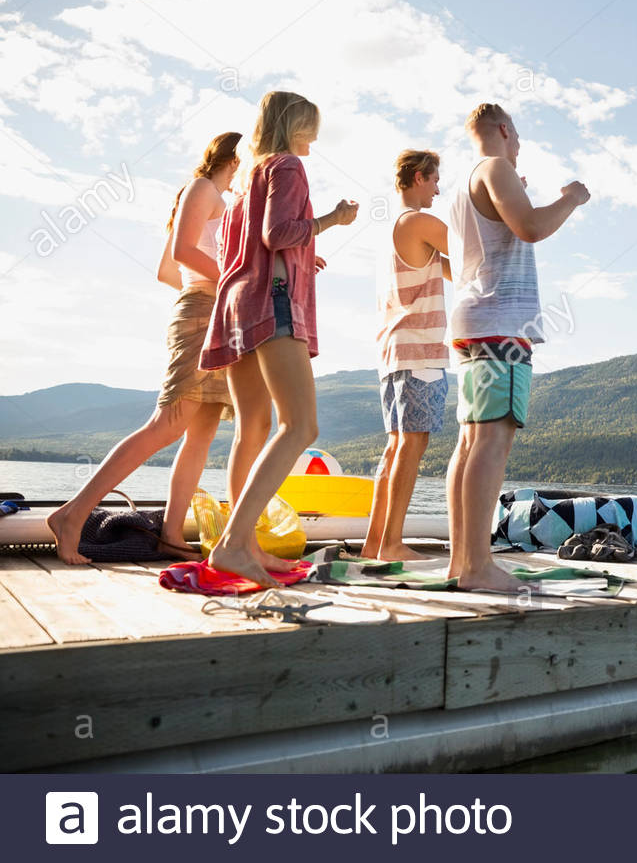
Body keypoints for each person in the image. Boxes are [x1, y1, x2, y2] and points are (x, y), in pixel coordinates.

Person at [45, 133, 242, 564]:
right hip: (202, 315)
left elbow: (165, 272)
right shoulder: (204, 189)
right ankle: (72, 515)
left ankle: (170, 536)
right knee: (166, 425)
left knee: (202, 435)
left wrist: (216, 284)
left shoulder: (210, 197)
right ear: (234, 161)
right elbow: (182, 251)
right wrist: (233, 277)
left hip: (216, 315)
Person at [200, 91, 358, 587]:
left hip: (237, 305)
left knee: (253, 427)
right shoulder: (287, 166)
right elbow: (278, 233)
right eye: (311, 125)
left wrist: (300, 253)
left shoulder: (245, 179)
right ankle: (233, 544)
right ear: (295, 125)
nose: (315, 136)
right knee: (300, 426)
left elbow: (246, 246)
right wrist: (332, 219)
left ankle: (244, 544)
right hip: (274, 303)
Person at [445, 103, 589, 591]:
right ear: (505, 130)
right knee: (492, 440)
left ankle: (462, 564)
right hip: (499, 323)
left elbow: (504, 229)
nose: (519, 145)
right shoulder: (496, 168)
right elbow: (531, 227)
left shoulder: (470, 182)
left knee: (470, 442)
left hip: (472, 322)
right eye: (519, 136)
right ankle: (478, 568)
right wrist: (571, 198)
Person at [362, 149, 453, 562]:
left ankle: (375, 543)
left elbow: (457, 268)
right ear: (419, 177)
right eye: (435, 180)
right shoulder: (417, 221)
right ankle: (393, 544)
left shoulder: (394, 230)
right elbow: (475, 248)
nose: (438, 188)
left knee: (396, 446)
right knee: (412, 446)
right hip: (419, 351)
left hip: (394, 351)